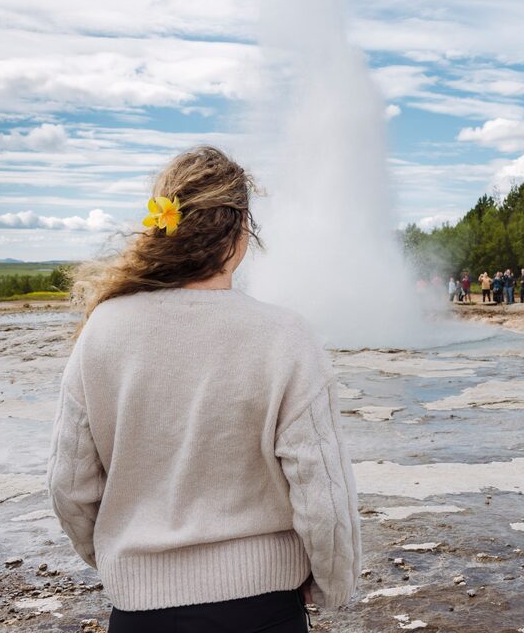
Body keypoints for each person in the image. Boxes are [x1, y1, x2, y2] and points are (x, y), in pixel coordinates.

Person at [48, 147, 359, 631]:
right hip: (262, 609)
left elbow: (69, 486)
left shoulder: (103, 330)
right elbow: (323, 495)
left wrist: (128, 562)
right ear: (239, 231)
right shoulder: (285, 336)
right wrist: (329, 586)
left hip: (139, 617)